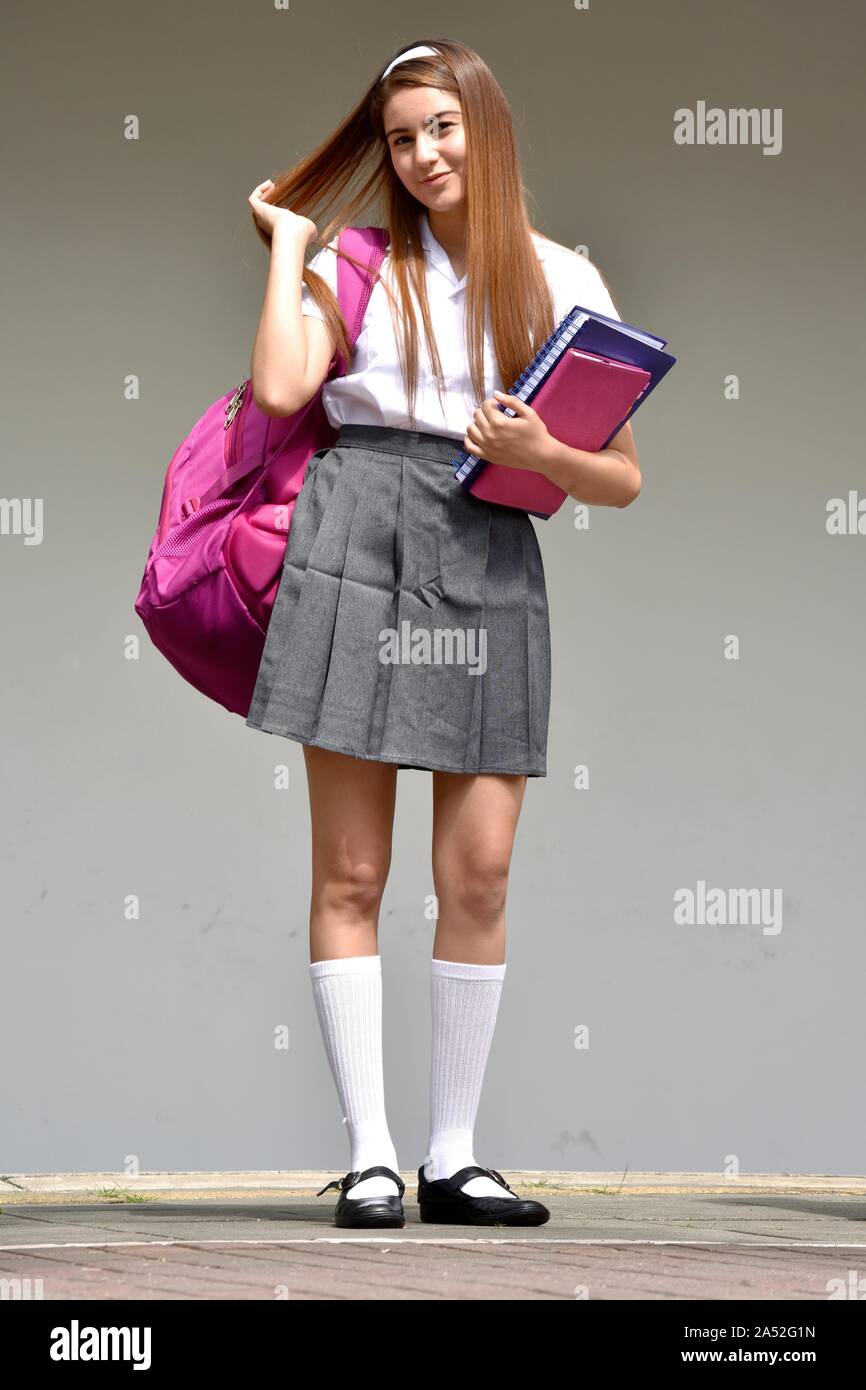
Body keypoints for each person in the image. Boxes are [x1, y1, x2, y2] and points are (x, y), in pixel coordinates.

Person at [245, 38, 641, 1229]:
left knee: (476, 869)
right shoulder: (362, 262)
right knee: (352, 872)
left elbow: (619, 477)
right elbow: (277, 391)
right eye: (401, 137)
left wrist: (543, 455)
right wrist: (291, 250)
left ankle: (454, 1155)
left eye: (440, 128)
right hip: (356, 531)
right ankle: (370, 1153)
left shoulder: (561, 277)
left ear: (485, 124)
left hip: (485, 543)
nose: (420, 155)